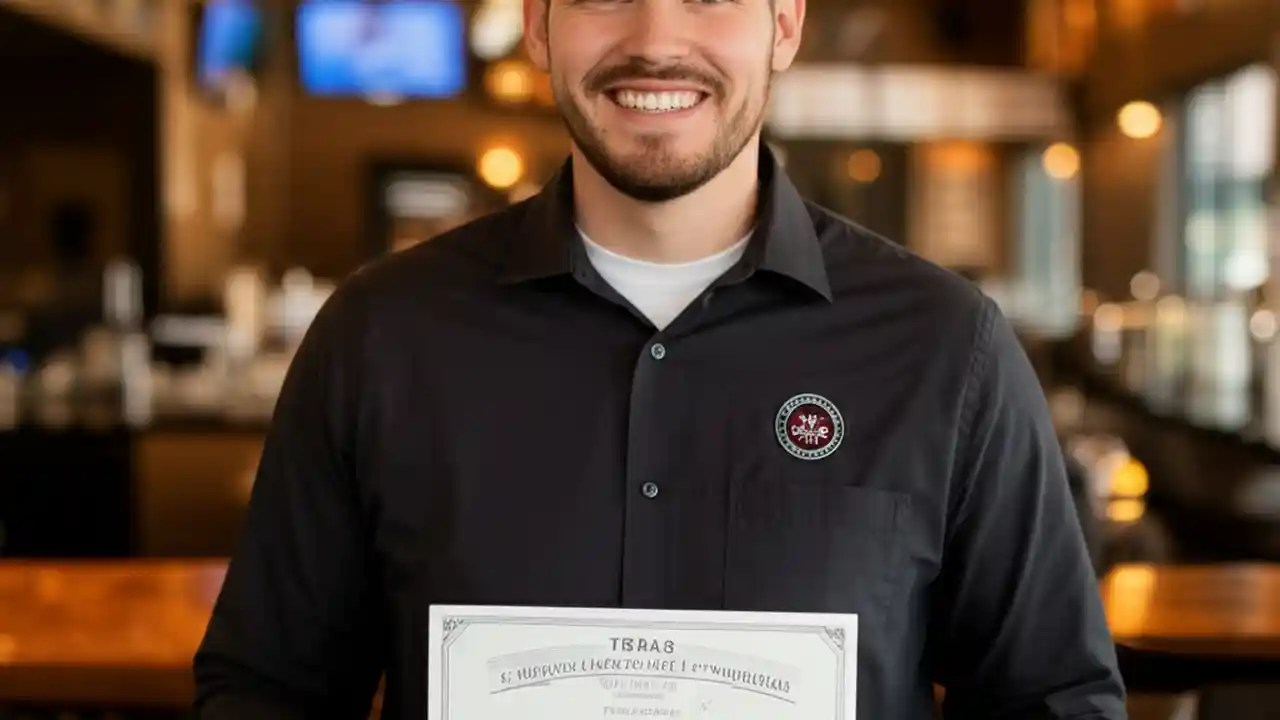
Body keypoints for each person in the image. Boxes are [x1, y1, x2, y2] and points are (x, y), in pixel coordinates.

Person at [194, 0, 1126, 717]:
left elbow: (1054, 701)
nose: (655, 38)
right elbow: (266, 691)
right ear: (538, 26)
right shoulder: (379, 337)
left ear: (785, 23)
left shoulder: (946, 348)